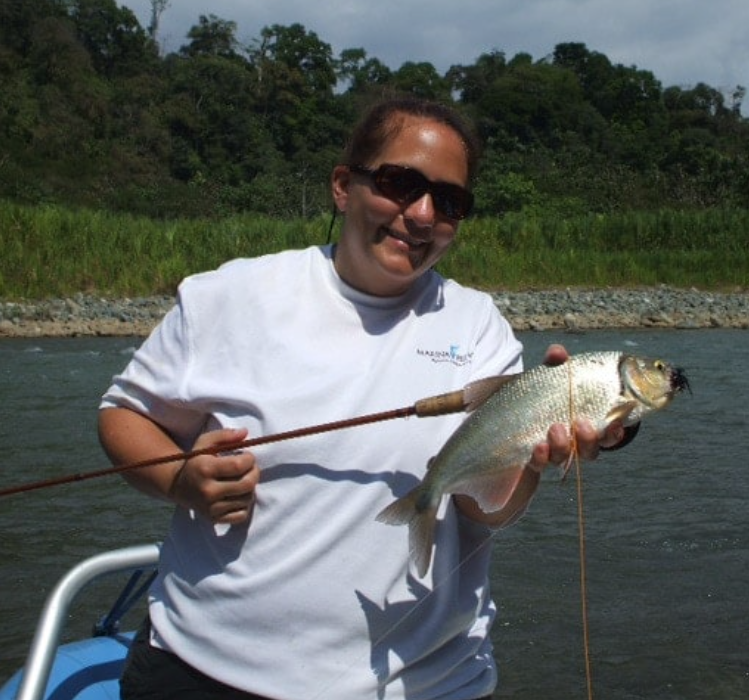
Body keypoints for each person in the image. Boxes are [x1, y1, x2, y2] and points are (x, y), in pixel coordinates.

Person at [98, 96, 620, 700]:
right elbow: (124, 415)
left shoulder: (479, 327)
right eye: (400, 184)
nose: (422, 215)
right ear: (344, 186)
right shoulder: (232, 294)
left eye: (449, 202)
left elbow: (486, 511)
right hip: (205, 670)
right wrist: (179, 479)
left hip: (422, 682)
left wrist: (534, 458)